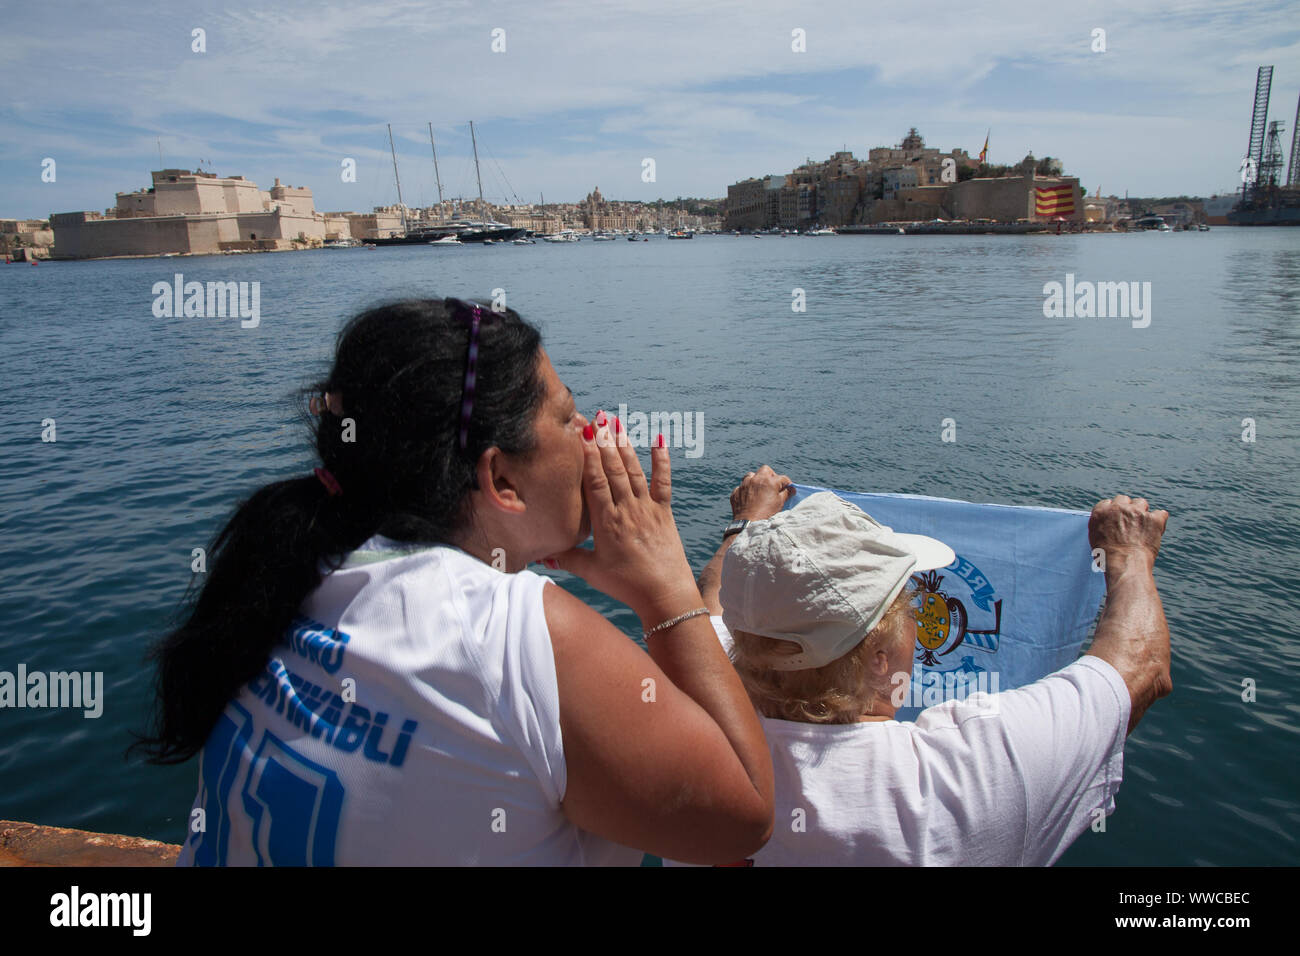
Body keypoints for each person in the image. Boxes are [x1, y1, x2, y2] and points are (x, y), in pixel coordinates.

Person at [132, 298, 773, 865]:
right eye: (568, 417)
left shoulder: (292, 563)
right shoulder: (514, 633)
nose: (594, 432)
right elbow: (743, 821)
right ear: (500, 481)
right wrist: (663, 587)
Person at [684, 467, 1171, 866]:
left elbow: (713, 599)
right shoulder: (960, 780)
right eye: (909, 607)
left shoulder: (688, 729)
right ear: (879, 660)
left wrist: (748, 525)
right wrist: (1128, 555)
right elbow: (1141, 669)